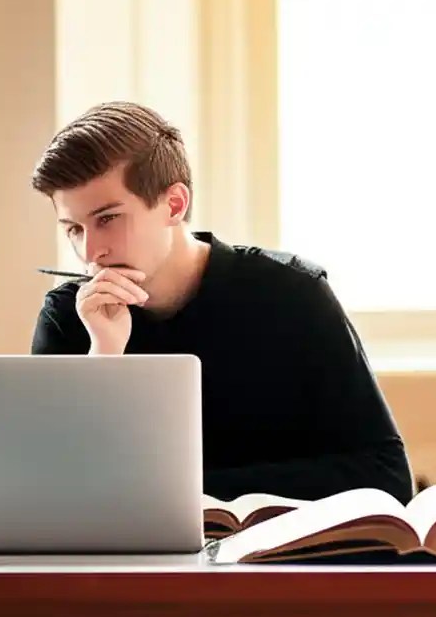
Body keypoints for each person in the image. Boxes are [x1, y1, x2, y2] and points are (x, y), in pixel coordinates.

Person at [28, 101, 414, 503]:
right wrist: (104, 358)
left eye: (107, 219)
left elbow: (385, 474)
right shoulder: (69, 317)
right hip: (132, 563)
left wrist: (183, 495)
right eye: (73, 229)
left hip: (279, 560)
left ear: (174, 205)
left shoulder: (293, 293)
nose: (91, 252)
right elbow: (53, 493)